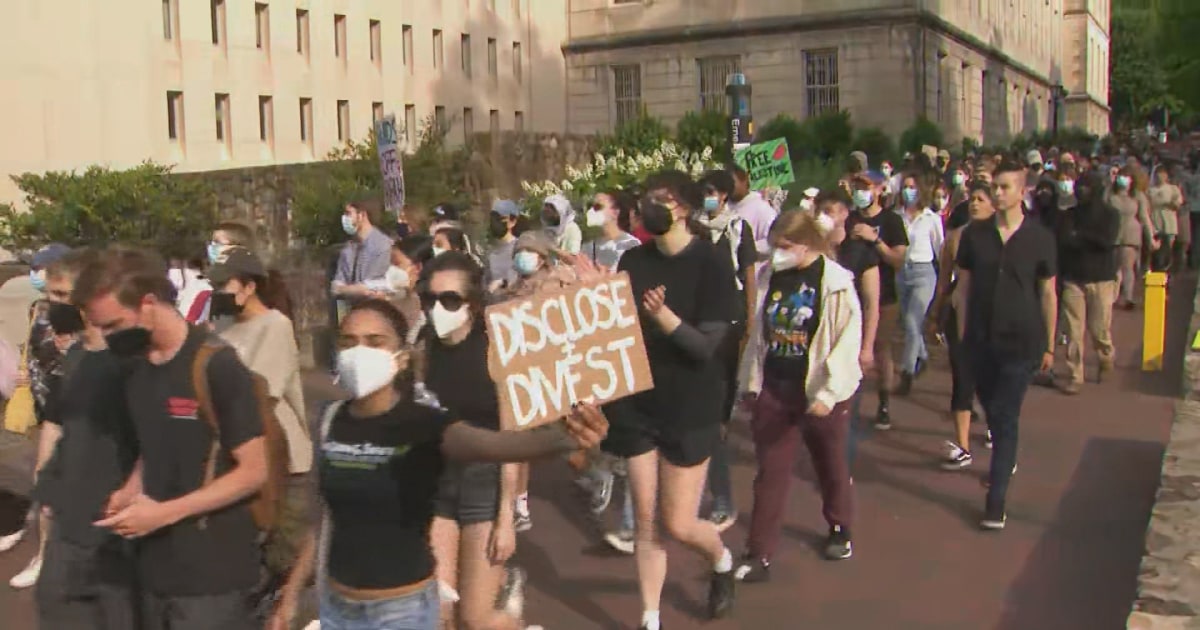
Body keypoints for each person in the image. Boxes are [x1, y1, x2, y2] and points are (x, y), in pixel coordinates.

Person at [266, 298, 608, 630]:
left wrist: (566, 437)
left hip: (403, 611)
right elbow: (324, 518)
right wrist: (291, 596)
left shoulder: (423, 422)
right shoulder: (328, 419)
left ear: (400, 358)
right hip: (339, 609)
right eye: (348, 342)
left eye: (375, 342)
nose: (359, 352)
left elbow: (497, 445)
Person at [74, 245, 270, 629]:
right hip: (155, 570)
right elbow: (155, 444)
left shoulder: (217, 364)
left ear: (148, 303)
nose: (107, 338)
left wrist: (163, 513)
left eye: (113, 325)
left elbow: (254, 472)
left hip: (212, 577)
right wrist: (131, 490)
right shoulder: (135, 368)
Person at [602, 172, 740, 629]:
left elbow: (705, 348)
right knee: (646, 520)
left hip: (691, 406)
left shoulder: (713, 263)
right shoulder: (632, 259)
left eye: (657, 200)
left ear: (681, 207)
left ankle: (720, 561)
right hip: (639, 404)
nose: (646, 208)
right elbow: (612, 326)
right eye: (643, 200)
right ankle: (650, 617)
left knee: (678, 523)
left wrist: (663, 317)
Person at [734, 210, 864, 582]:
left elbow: (845, 340)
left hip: (821, 389)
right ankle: (758, 553)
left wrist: (828, 392)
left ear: (806, 244)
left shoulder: (836, 282)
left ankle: (839, 525)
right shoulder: (770, 275)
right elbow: (758, 332)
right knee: (771, 472)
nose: (777, 254)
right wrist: (750, 383)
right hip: (777, 386)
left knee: (829, 462)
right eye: (774, 246)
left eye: (785, 247)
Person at [417, 252, 527, 629]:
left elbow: (512, 436)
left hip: (485, 482)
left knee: (475, 620)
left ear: (473, 304)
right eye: (429, 299)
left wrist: (506, 518)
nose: (437, 309)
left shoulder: (496, 347)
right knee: (436, 613)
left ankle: (511, 615)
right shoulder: (426, 346)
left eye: (449, 300)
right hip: (437, 481)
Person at [32, 247, 140, 629]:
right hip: (68, 529)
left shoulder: (129, 364)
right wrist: (48, 486)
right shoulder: (76, 357)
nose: (54, 306)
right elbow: (61, 426)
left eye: (63, 296)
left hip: (112, 533)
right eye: (50, 296)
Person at [956, 158, 1058, 530]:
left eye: (1005, 188)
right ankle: (1003, 454)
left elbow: (1047, 292)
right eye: (994, 187)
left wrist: (1049, 344)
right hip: (980, 340)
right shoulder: (974, 235)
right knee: (992, 411)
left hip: (1022, 341)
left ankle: (995, 499)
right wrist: (962, 334)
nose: (997, 194)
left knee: (1006, 413)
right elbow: (963, 288)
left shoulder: (1039, 238)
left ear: (1022, 192)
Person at [208, 248, 314, 588]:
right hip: (238, 456)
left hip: (282, 460)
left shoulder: (276, 326)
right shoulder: (222, 326)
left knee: (283, 557)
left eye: (225, 284)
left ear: (249, 286)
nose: (218, 292)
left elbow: (259, 392)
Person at [696, 169, 759, 532]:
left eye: (710, 193)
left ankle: (721, 496)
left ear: (722, 195)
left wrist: (749, 321)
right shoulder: (692, 228)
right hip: (697, 324)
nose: (707, 198)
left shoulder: (737, 229)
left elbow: (748, 275)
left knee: (719, 411)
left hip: (728, 322)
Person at [10, 242, 73, 590]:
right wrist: (28, 379)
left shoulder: (92, 316)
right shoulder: (40, 310)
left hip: (88, 414)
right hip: (53, 410)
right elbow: (35, 353)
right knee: (45, 482)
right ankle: (44, 556)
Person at [928, 181, 996, 470]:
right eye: (972, 199)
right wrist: (935, 313)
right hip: (960, 312)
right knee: (962, 376)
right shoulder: (954, 239)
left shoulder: (1002, 238)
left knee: (991, 375)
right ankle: (963, 445)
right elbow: (944, 279)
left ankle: (995, 424)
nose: (975, 204)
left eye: (981, 199)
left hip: (993, 314)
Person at [818, 190, 880, 470]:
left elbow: (872, 303)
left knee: (846, 411)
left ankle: (843, 472)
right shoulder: (813, 251)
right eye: (822, 211)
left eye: (831, 211)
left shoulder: (860, 252)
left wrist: (867, 347)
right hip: (819, 342)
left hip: (850, 343)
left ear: (845, 213)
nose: (826, 218)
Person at [846, 172, 908, 430]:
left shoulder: (891, 221)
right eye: (857, 187)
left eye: (866, 187)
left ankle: (883, 403)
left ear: (879, 190)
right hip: (853, 295)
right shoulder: (850, 219)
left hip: (884, 297)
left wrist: (876, 240)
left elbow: (898, 260)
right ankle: (848, 401)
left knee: (880, 348)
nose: (861, 192)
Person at [1055, 172, 1121, 394]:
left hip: (1101, 279)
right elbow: (1064, 241)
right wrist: (1082, 238)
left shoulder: (1111, 215)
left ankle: (1106, 356)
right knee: (1073, 330)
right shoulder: (1069, 215)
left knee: (1099, 328)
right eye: (1079, 187)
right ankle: (1076, 374)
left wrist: (1080, 237)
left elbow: (1106, 242)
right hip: (1073, 279)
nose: (1082, 191)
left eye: (1087, 187)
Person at [894, 175, 943, 396]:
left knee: (914, 320)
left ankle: (907, 372)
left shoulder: (930, 218)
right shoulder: (897, 216)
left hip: (924, 272)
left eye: (912, 187)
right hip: (902, 271)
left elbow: (940, 248)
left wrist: (948, 278)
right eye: (905, 187)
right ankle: (921, 356)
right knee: (908, 323)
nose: (908, 191)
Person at [332, 199, 394, 323]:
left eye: (348, 213)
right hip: (350, 315)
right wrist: (356, 289)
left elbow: (373, 287)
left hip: (375, 315)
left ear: (362, 215)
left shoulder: (383, 245)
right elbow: (336, 287)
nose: (344, 218)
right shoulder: (348, 249)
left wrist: (348, 289)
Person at [1108, 168, 1154, 310]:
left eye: (1127, 177)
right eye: (1122, 177)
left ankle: (1128, 297)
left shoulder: (1138, 196)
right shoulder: (1110, 195)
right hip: (1113, 233)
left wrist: (1151, 237)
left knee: (1127, 266)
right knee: (1114, 268)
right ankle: (1112, 297)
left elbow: (1144, 218)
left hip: (1130, 234)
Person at [583, 190, 642, 272]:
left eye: (598, 207)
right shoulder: (588, 247)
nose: (591, 211)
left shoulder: (630, 244)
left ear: (615, 212)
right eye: (590, 206)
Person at [485, 199, 527, 293]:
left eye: (499, 219)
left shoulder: (520, 248)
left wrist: (502, 282)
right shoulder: (490, 254)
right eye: (493, 219)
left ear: (513, 222)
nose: (495, 223)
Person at [1148, 167, 1183, 272]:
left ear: (1166, 176)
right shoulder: (1150, 190)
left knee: (1168, 248)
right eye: (1157, 175)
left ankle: (1167, 269)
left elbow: (1178, 204)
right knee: (1156, 250)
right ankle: (1156, 269)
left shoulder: (1173, 189)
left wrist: (1172, 203)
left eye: (1162, 175)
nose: (1160, 177)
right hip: (1155, 223)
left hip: (1169, 223)